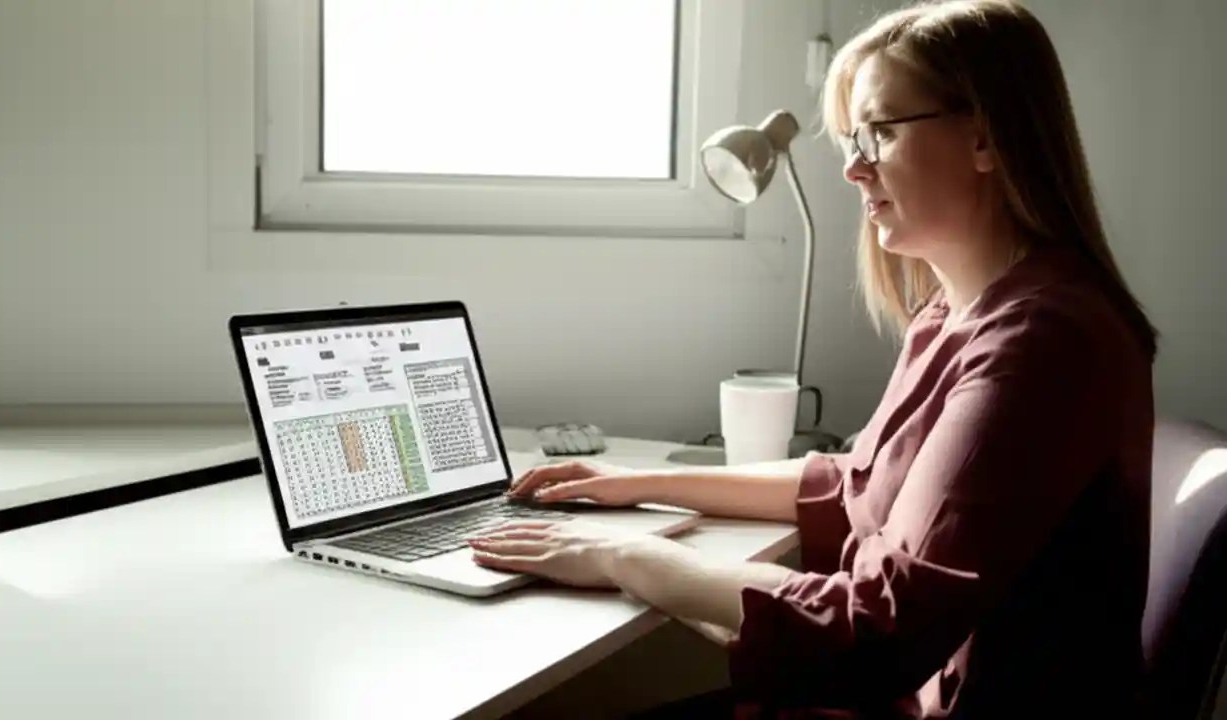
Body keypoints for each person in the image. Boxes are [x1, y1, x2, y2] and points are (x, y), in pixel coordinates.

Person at [467, 0, 1158, 716]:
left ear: (984, 135)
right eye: (854, 140)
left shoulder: (1042, 340)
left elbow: (876, 627)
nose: (855, 169)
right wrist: (629, 483)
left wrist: (627, 558)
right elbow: (855, 485)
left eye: (881, 133)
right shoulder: (957, 313)